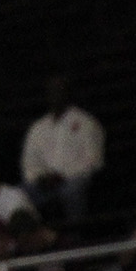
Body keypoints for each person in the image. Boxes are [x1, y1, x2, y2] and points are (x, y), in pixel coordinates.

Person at [20, 75, 105, 223]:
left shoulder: (86, 122)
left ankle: (76, 232)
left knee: (72, 191)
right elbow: (29, 163)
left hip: (74, 179)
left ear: (67, 93)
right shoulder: (38, 128)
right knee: (21, 194)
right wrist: (40, 178)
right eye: (51, 91)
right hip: (44, 183)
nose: (55, 95)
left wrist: (63, 176)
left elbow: (93, 160)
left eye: (59, 90)